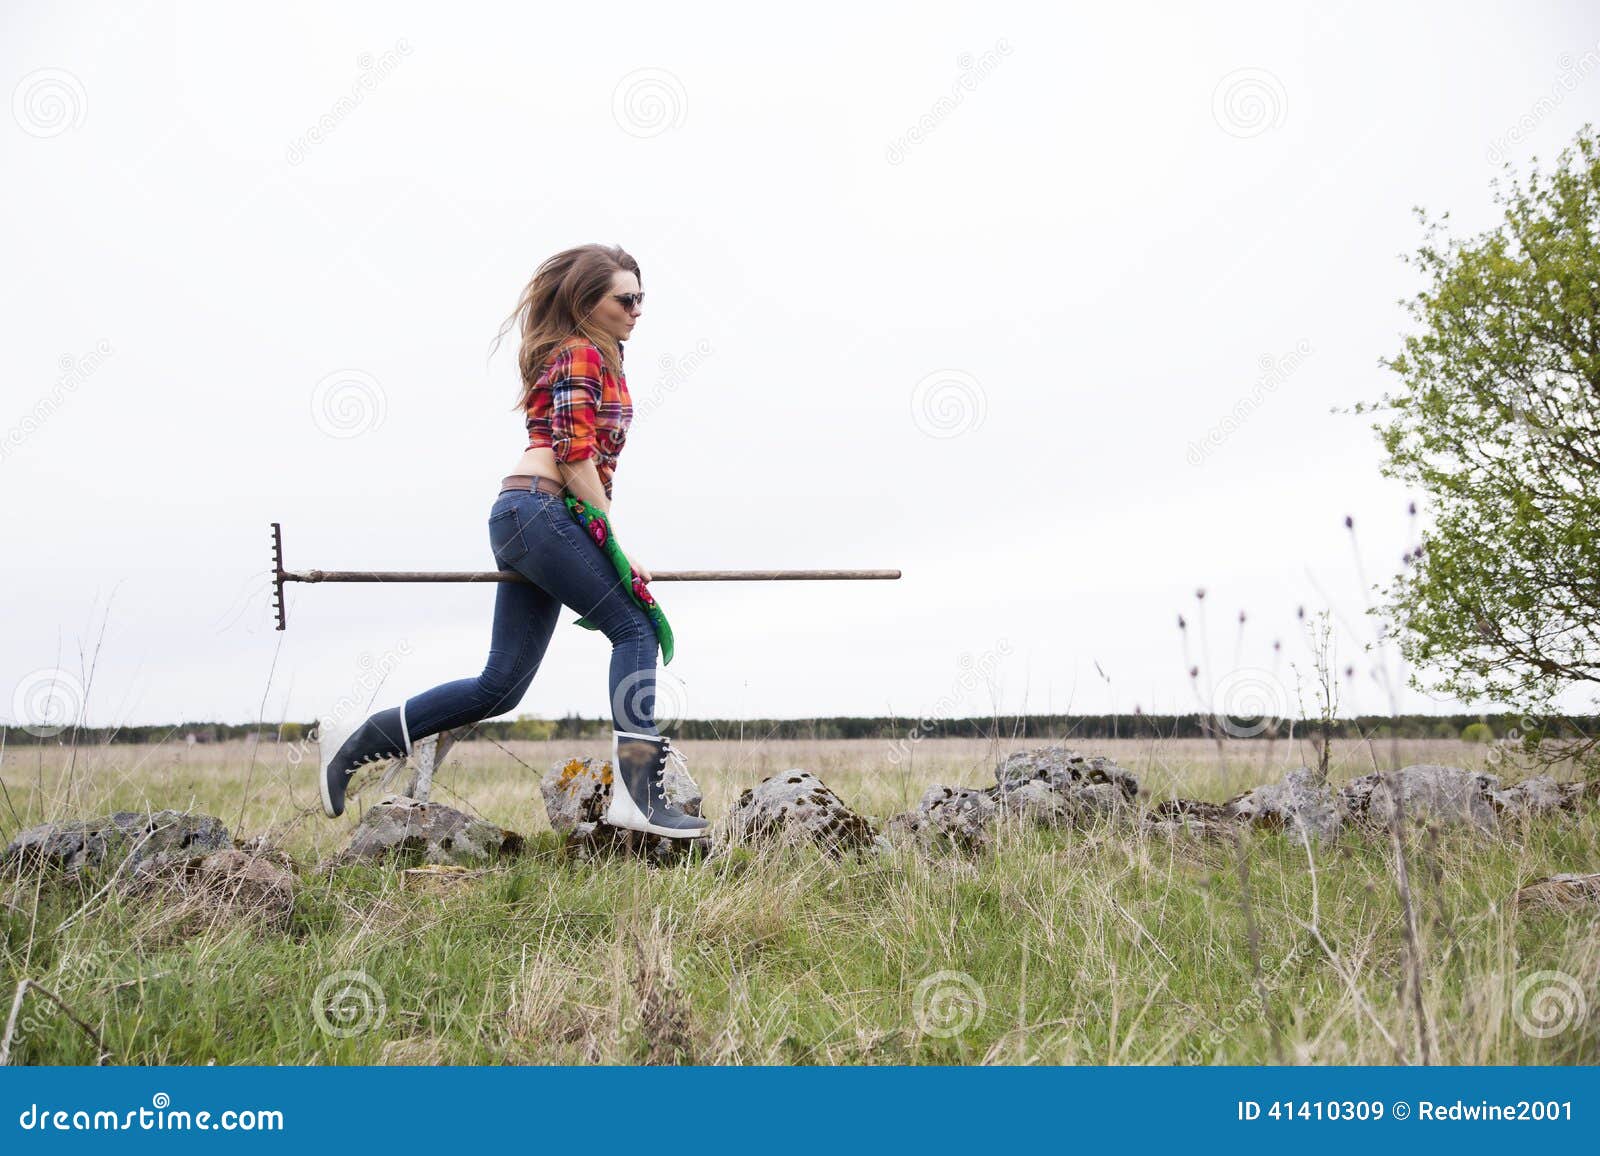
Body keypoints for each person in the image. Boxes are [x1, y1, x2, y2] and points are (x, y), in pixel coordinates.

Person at [316, 243, 708, 839]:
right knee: (636, 628)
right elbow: (573, 455)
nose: (637, 310)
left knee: (500, 686)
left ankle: (360, 737)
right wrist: (614, 545)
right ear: (586, 303)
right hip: (540, 511)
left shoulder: (595, 354)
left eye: (641, 298)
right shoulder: (581, 352)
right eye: (625, 299)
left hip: (533, 515)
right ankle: (638, 792)